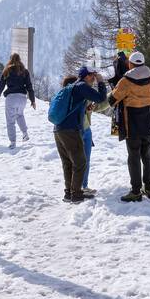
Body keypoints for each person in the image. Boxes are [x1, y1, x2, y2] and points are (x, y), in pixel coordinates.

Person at [52, 67, 107, 203]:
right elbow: (101, 98)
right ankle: (76, 195)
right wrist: (101, 82)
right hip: (70, 130)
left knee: (68, 163)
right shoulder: (82, 86)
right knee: (80, 162)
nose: (94, 78)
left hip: (58, 129)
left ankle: (68, 194)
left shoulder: (72, 87)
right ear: (85, 76)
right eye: (92, 75)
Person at [109, 51, 150, 202]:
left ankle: (136, 191)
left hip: (133, 124)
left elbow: (113, 99)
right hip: (147, 121)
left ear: (130, 63)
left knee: (134, 157)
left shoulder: (126, 81)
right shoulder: (149, 76)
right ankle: (148, 187)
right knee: (147, 156)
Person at [0, 52, 35, 147]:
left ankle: (13, 142)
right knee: (19, 115)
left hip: (11, 98)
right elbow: (29, 86)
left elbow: (1, 85)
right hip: (22, 98)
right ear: (20, 59)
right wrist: (33, 100)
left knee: (10, 121)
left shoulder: (7, 70)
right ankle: (25, 134)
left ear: (10, 59)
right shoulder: (25, 71)